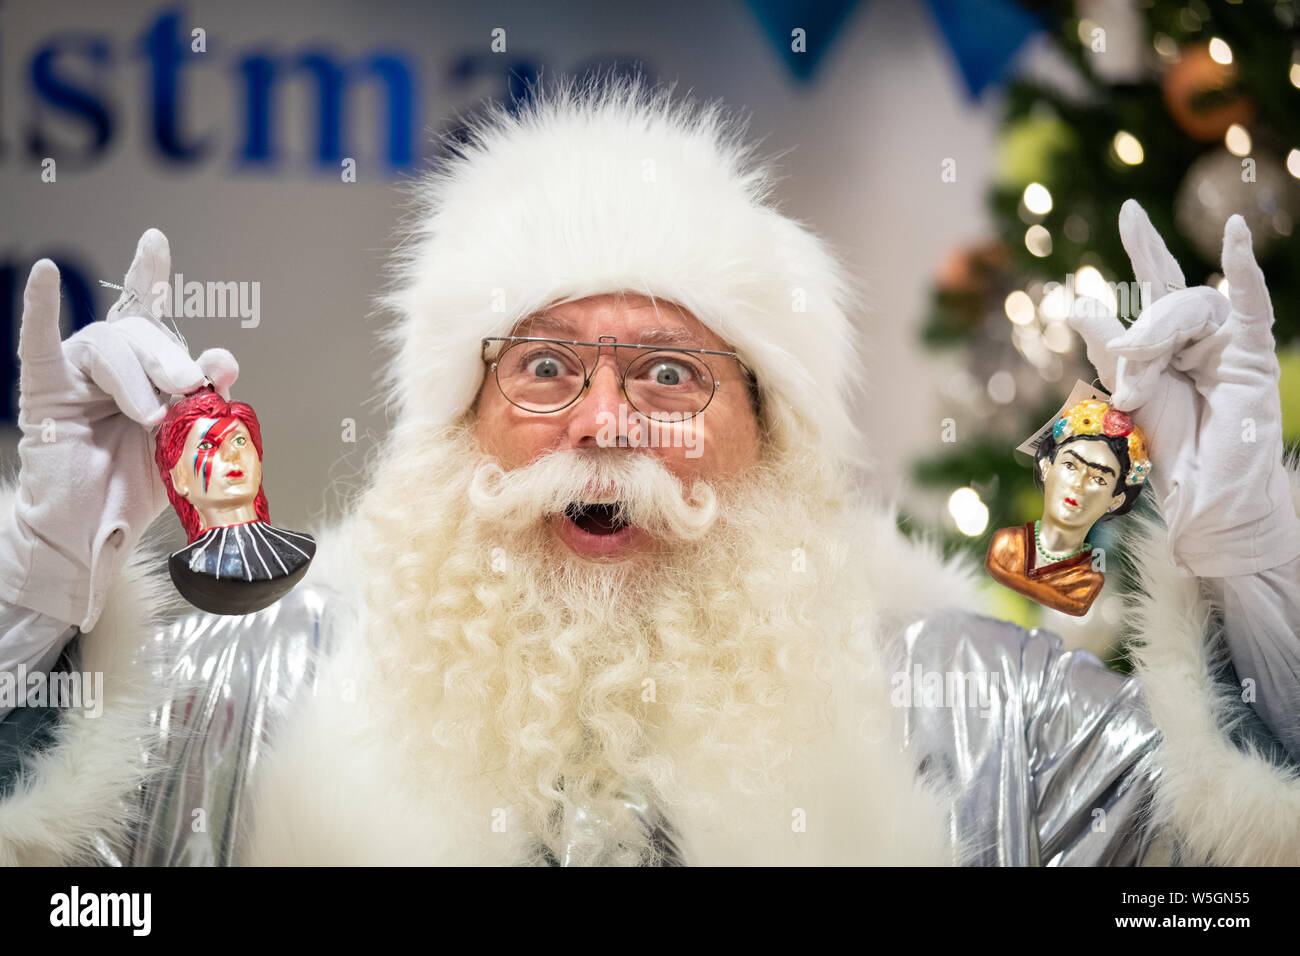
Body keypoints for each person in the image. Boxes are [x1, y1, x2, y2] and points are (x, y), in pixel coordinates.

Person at [0, 74, 1298, 866]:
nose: (605, 423)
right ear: (458, 424)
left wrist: (1260, 591)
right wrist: (35, 607)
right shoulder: (248, 695)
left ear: (770, 431)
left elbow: (1228, 863)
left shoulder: (980, 716)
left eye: (671, 374)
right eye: (547, 369)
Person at [985, 399, 1149, 616]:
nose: (1078, 485)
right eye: (1070, 465)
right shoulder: (1006, 547)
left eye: (1099, 479)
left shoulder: (1085, 583)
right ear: (1046, 466)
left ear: (1115, 500)